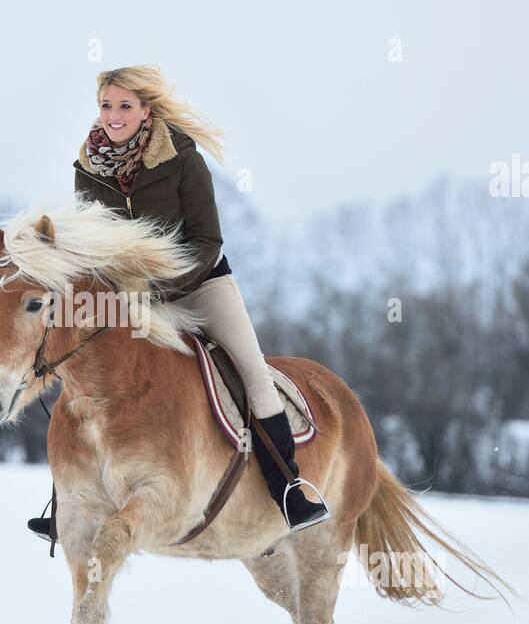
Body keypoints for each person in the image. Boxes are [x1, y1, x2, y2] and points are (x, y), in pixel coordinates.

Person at [28, 64, 329, 539]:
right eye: (106, 105)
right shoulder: (87, 166)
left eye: (124, 105)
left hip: (201, 283)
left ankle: (289, 489)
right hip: (127, 296)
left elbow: (208, 240)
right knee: (80, 370)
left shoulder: (182, 158)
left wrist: (161, 289)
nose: (113, 115)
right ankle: (64, 500)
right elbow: (88, 245)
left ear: (147, 110)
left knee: (251, 371)